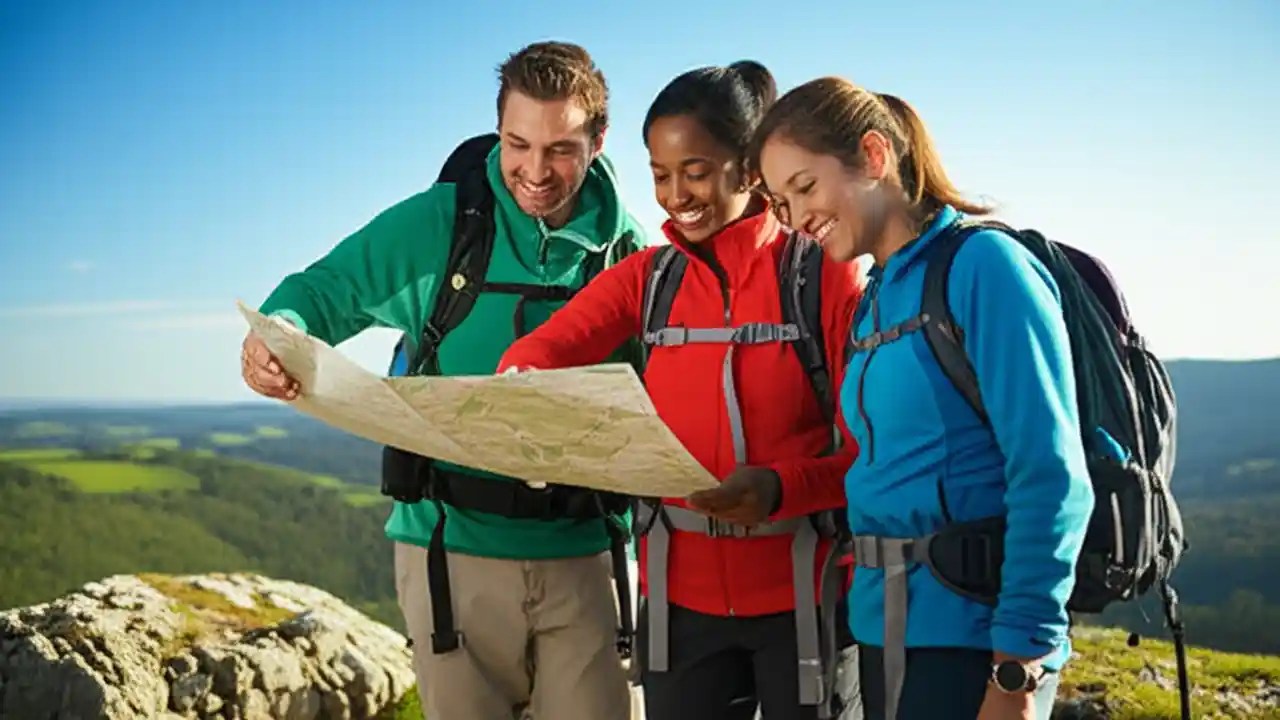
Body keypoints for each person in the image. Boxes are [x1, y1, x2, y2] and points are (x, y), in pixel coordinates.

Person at [240, 40, 650, 720]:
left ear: (599, 140)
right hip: (449, 550)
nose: (534, 172)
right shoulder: (442, 224)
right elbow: (319, 293)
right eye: (518, 145)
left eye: (560, 150)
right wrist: (270, 340)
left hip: (587, 557)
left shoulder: (630, 252)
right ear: (498, 130)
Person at [497, 61, 869, 720]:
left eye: (695, 171)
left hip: (806, 599)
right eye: (660, 175)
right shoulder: (649, 280)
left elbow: (871, 453)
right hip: (678, 608)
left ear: (750, 167)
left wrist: (781, 489)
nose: (675, 196)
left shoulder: (822, 278)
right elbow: (546, 347)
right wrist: (523, 383)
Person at [749, 76, 1095, 720]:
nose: (796, 219)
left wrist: (1018, 669)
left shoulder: (985, 267)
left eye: (805, 188)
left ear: (874, 157)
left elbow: (1051, 479)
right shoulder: (876, 297)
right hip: (884, 630)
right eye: (780, 203)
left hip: (973, 643)